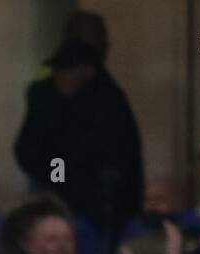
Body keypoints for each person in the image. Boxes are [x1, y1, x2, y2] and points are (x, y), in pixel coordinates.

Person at [13, 35, 143, 241]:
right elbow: (28, 149)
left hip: (93, 194)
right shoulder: (43, 97)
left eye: (67, 70)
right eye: (59, 70)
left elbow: (117, 155)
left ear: (87, 72)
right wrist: (56, 175)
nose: (61, 76)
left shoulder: (108, 102)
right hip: (51, 183)